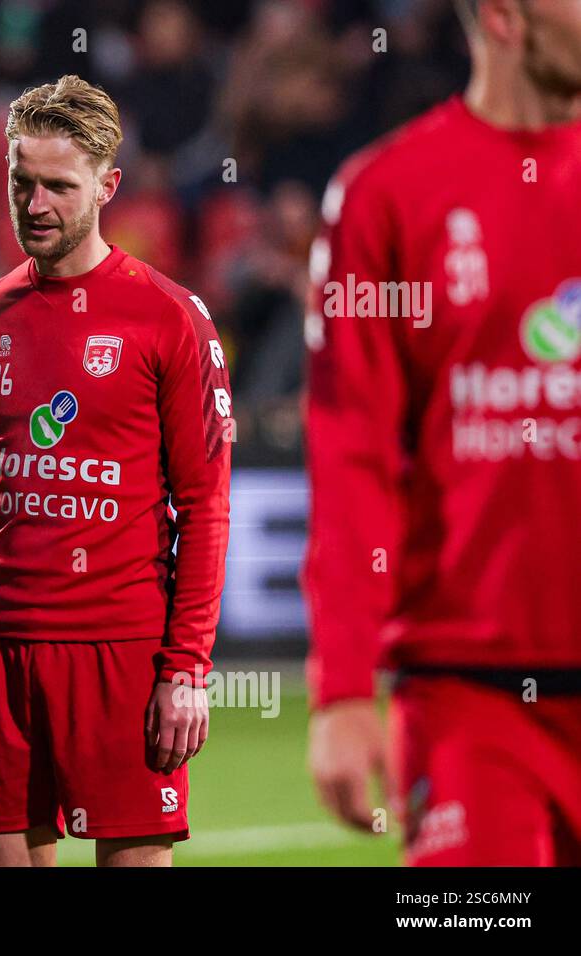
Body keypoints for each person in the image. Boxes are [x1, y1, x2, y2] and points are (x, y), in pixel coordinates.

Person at [0, 75, 232, 867]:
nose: (36, 204)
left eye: (59, 185)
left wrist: (186, 667)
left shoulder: (169, 318)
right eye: (22, 183)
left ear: (107, 185)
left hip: (119, 653)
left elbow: (204, 505)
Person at [304, 0, 581, 865]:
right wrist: (344, 690)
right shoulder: (389, 194)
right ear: (505, 16)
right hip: (469, 703)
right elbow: (351, 456)